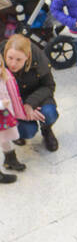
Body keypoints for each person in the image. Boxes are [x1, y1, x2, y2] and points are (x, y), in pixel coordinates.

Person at [2, 34, 59, 151]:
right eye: (10, 58)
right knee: (28, 131)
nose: (13, 64)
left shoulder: (39, 58)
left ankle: (46, 129)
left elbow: (49, 86)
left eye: (19, 60)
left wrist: (29, 104)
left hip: (37, 96)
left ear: (27, 57)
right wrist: (21, 108)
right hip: (12, 103)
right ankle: (18, 132)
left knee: (49, 113)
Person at [0, 50, 27, 181]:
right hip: (2, 111)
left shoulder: (4, 77)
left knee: (5, 138)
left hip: (4, 116)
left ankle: (10, 159)